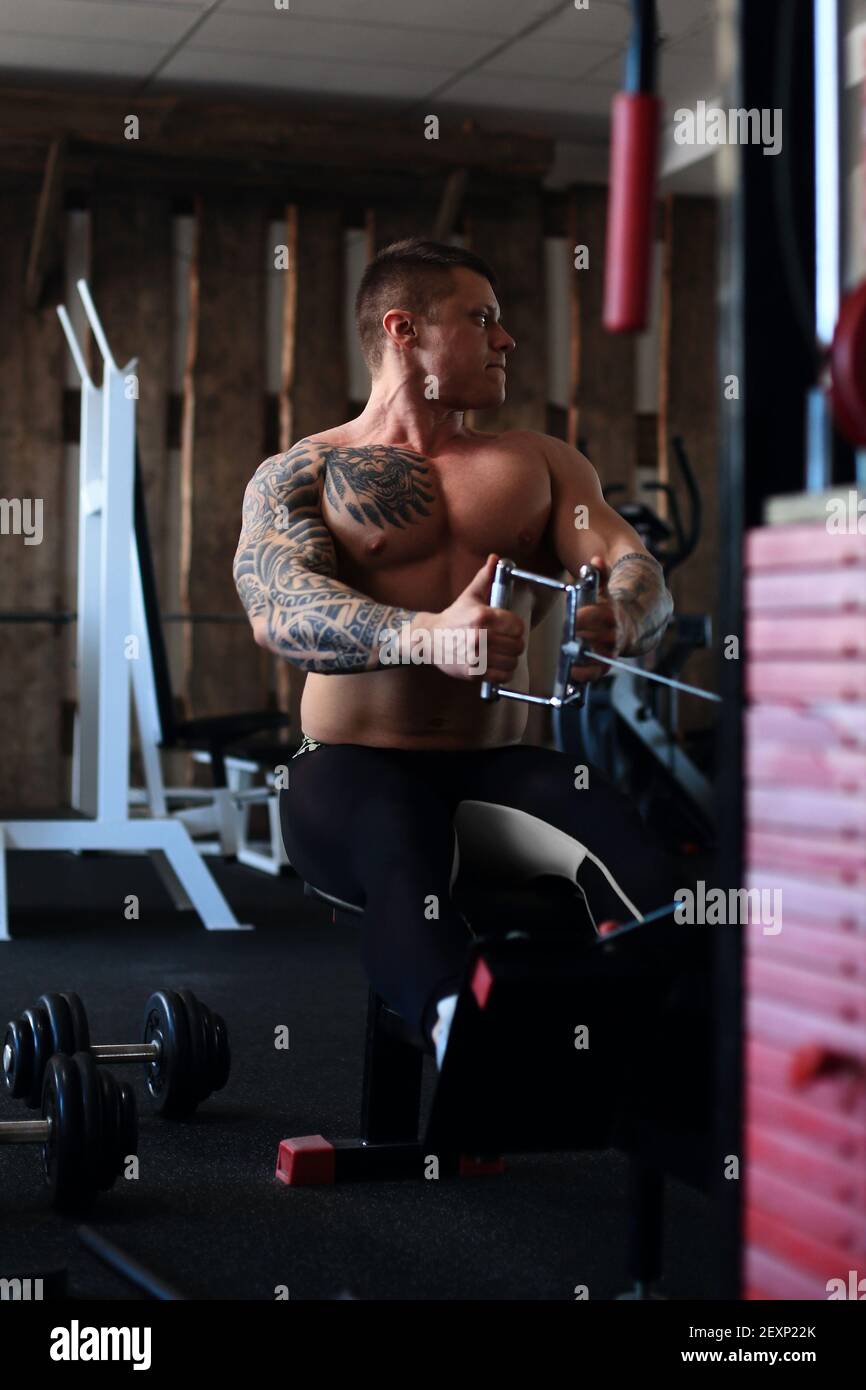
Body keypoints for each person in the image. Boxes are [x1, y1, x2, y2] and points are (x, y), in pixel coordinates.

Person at [234, 238, 678, 1068]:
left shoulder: (538, 465)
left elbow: (635, 567)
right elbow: (277, 609)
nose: (506, 340)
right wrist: (426, 636)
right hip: (350, 768)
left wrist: (625, 615)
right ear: (405, 330)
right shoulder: (304, 471)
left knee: (634, 857)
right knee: (401, 858)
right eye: (483, 320)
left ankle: (673, 1056)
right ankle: (468, 1049)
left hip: (499, 768)